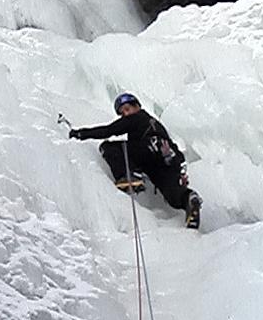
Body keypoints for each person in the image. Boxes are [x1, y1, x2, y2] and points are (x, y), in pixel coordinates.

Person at [69, 93, 203, 229]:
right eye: (122, 113)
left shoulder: (137, 117)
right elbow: (175, 152)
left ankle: (128, 175)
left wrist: (80, 134)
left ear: (137, 106)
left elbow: (109, 130)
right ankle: (189, 199)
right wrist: (178, 170)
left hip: (145, 151)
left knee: (109, 147)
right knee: (173, 196)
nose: (125, 114)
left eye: (127, 109)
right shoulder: (155, 124)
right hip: (164, 162)